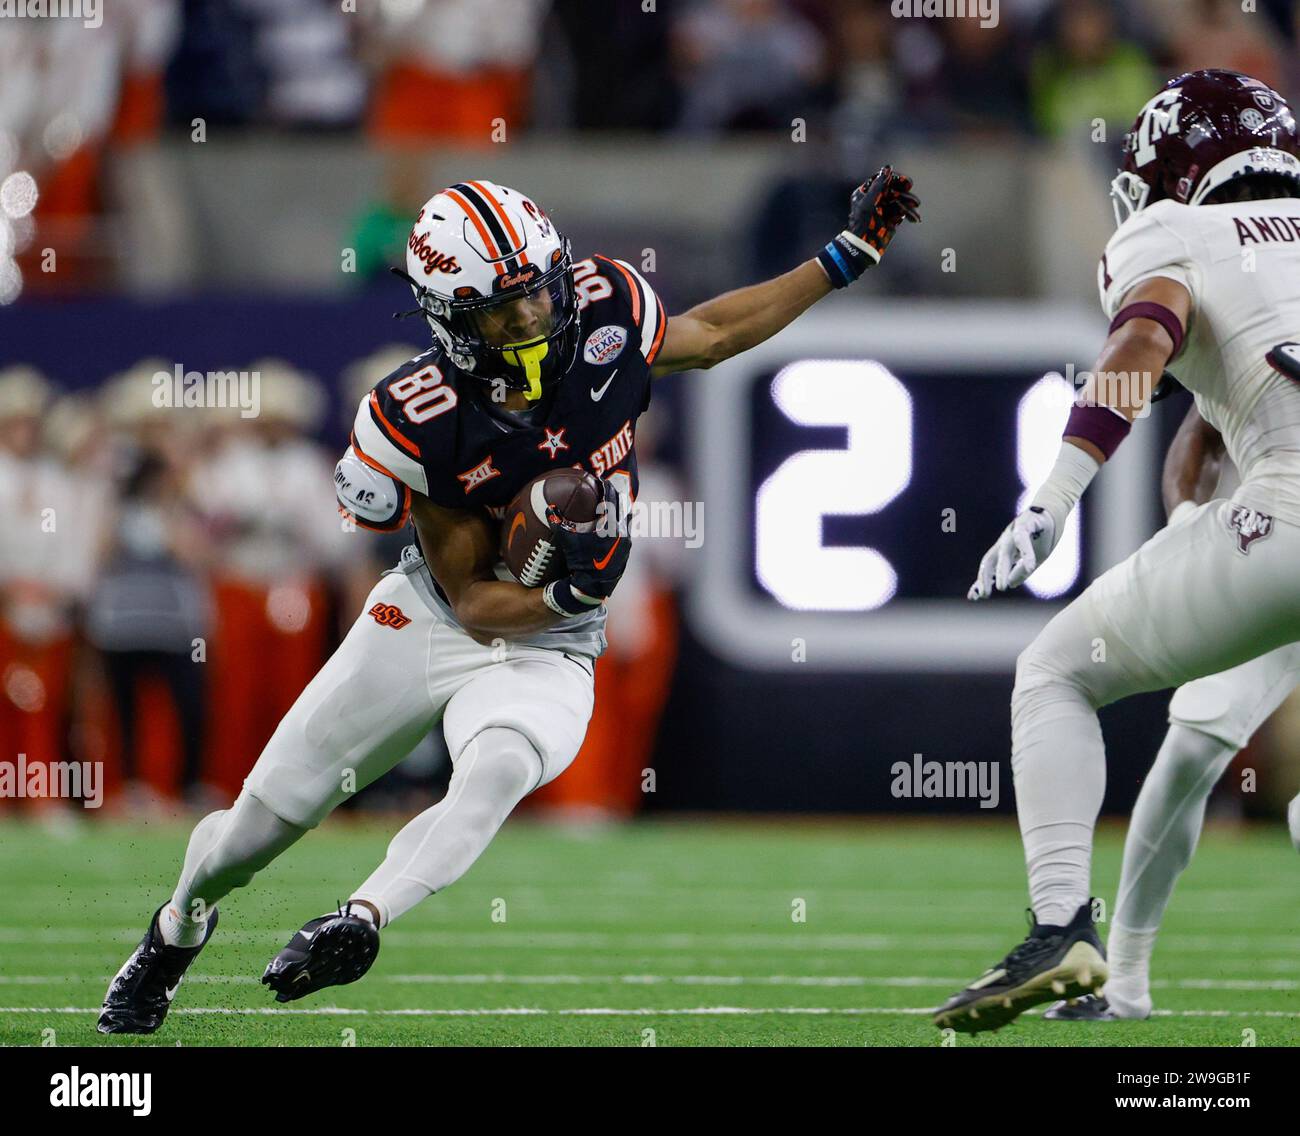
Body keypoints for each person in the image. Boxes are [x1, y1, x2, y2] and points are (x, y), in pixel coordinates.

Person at [98, 171, 921, 1033]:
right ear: (449, 320)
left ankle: (361, 917)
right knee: (258, 828)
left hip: (558, 642)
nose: (530, 318)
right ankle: (174, 929)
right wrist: (569, 584)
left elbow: (712, 333)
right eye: (501, 309)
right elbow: (474, 599)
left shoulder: (606, 306)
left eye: (536, 293)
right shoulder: (421, 412)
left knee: (494, 772)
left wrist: (843, 257)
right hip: (436, 616)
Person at [934, 69, 1300, 1033]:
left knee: (1054, 672)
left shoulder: (1175, 233)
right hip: (1273, 508)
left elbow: (1145, 337)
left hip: (1291, 519)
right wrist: (1197, 522)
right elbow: (1216, 406)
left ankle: (1061, 928)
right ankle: (1120, 983)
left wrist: (1056, 493)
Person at [1046, 404, 1300, 1023]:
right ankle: (1126, 983)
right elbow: (1199, 434)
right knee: (1194, 742)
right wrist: (1189, 519)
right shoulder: (1266, 319)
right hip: (1269, 561)